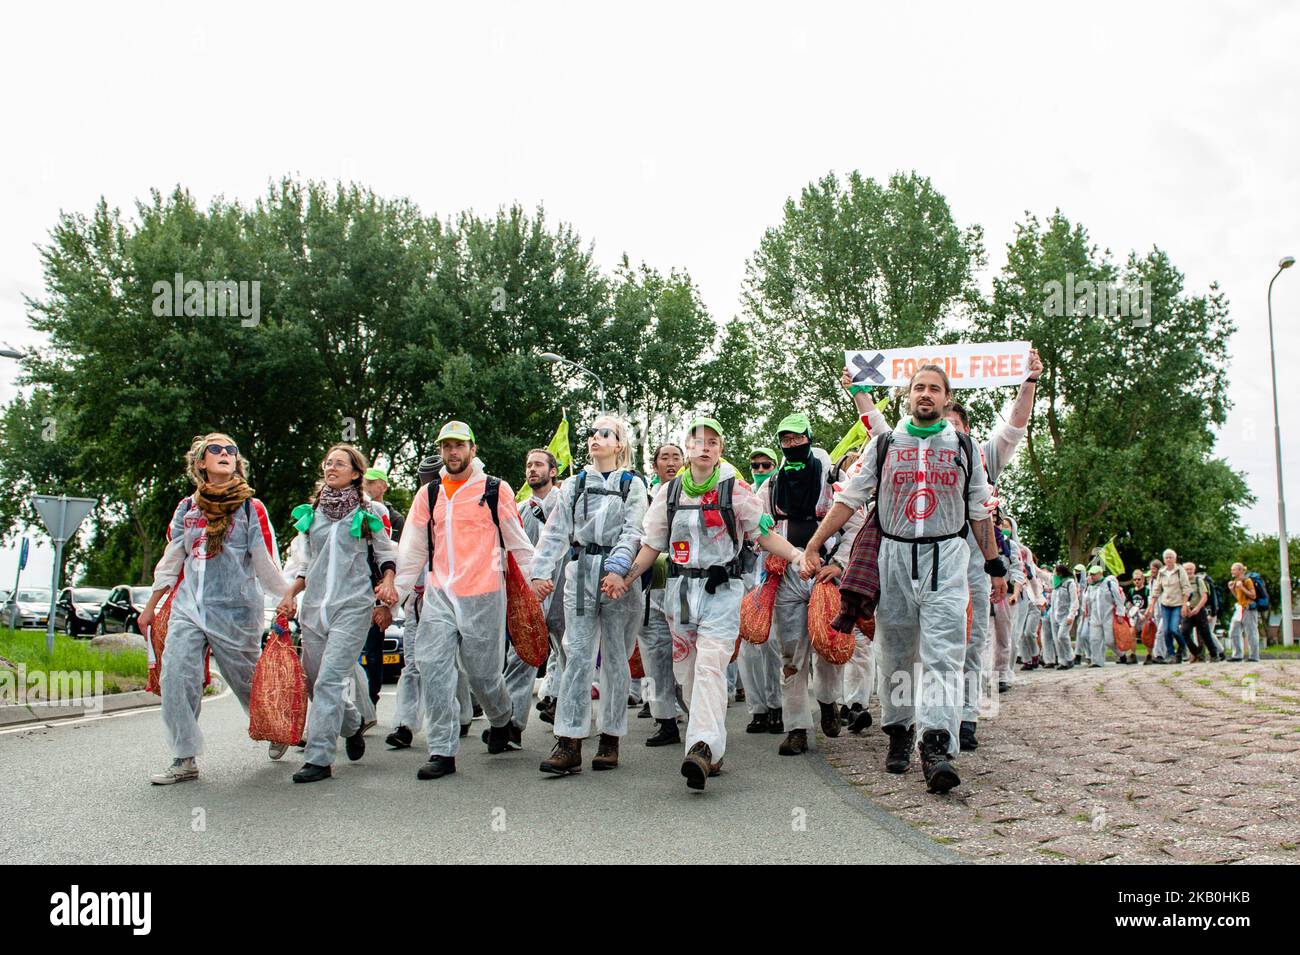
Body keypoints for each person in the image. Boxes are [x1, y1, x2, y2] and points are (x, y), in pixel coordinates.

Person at [804, 365, 1006, 795]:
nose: (926, 394)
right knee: (895, 651)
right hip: (894, 557)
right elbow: (850, 497)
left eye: (935, 388)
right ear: (907, 397)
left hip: (947, 558)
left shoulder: (966, 448)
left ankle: (936, 746)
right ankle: (899, 730)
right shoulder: (885, 444)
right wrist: (813, 545)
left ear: (947, 399)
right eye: (919, 388)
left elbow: (979, 510)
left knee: (944, 656)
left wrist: (993, 562)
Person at [843, 348, 1040, 752]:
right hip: (912, 560)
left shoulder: (976, 453)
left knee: (966, 647)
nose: (942, 428)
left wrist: (1029, 385)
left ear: (962, 423)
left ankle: (963, 719)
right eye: (921, 390)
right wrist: (859, 392)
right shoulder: (903, 444)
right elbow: (879, 429)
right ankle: (909, 727)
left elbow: (1015, 427)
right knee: (907, 648)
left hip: (969, 565)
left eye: (952, 422)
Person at [612, 418, 803, 791]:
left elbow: (763, 536)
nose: (705, 446)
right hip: (680, 592)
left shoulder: (736, 491)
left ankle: (700, 747)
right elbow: (652, 545)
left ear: (720, 450)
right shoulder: (668, 494)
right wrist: (626, 576)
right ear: (687, 447)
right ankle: (711, 751)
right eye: (698, 440)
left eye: (713, 442)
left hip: (723, 589)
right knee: (686, 677)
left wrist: (797, 556)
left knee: (710, 667)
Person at [392, 421, 535, 781]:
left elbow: (516, 541)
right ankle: (442, 750)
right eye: (446, 447)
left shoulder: (494, 489)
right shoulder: (429, 494)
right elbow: (412, 549)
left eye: (459, 446)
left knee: (482, 674)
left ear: (472, 448)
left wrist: (537, 580)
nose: (452, 453)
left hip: (484, 593)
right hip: (440, 593)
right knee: (432, 665)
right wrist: (393, 597)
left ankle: (502, 719)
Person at [139, 434, 285, 784]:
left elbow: (266, 562)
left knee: (246, 680)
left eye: (230, 451)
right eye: (215, 450)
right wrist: (151, 606)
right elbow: (173, 559)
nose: (224, 454)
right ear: (201, 463)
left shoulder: (252, 507)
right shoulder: (186, 509)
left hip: (235, 609)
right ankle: (184, 757)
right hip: (190, 607)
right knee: (176, 677)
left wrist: (285, 601)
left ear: (237, 462)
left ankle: (277, 726)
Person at [531, 416, 648, 775]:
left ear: (620, 445)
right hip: (581, 570)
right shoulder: (574, 485)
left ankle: (610, 737)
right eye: (592, 433)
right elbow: (555, 531)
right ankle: (569, 740)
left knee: (615, 657)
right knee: (577, 654)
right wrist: (539, 570)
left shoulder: (633, 485)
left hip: (620, 578)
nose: (595, 438)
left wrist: (619, 569)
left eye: (605, 433)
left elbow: (634, 531)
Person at [277, 444, 399, 782]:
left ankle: (319, 758)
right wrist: (289, 595)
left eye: (339, 463)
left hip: (353, 605)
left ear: (356, 473)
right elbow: (303, 563)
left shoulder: (368, 510)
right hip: (314, 608)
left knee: (331, 679)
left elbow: (385, 555)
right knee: (316, 682)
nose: (331, 467)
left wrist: (387, 591)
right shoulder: (312, 513)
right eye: (328, 462)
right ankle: (352, 723)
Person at [759, 413, 844, 756]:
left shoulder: (833, 477)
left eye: (797, 438)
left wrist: (840, 563)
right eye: (785, 439)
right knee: (791, 651)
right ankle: (796, 726)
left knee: (827, 645)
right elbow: (760, 529)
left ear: (809, 437)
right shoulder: (772, 484)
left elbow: (855, 518)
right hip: (789, 574)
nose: (792, 444)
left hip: (826, 572)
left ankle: (827, 701)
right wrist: (764, 538)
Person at [494, 448, 565, 742]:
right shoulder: (519, 510)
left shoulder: (566, 503)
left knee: (570, 653)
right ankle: (511, 724)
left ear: (553, 471)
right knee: (521, 655)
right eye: (528, 465)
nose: (532, 469)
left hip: (563, 590)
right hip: (531, 595)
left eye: (538, 465)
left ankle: (569, 717)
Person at [634, 443, 687, 745]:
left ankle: (697, 717)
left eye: (675, 457)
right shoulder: (644, 497)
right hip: (650, 585)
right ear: (654, 466)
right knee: (653, 658)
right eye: (664, 458)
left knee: (684, 654)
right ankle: (664, 719)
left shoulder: (692, 493)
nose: (670, 462)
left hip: (682, 585)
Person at [386, 456, 440, 749]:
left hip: (450, 602)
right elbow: (405, 563)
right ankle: (405, 724)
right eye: (425, 482)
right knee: (412, 666)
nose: (429, 487)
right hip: (417, 604)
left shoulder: (457, 514)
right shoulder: (414, 520)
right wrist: (393, 601)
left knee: (451, 666)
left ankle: (463, 714)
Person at [738, 447, 785, 735]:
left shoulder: (777, 492)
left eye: (766, 464)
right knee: (748, 647)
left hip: (772, 575)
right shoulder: (740, 494)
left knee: (772, 644)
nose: (760, 469)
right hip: (745, 576)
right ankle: (757, 710)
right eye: (755, 465)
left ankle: (776, 706)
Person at [359, 466, 402, 707]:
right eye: (365, 481)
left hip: (377, 591)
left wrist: (387, 597)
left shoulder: (392, 517)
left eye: (373, 481)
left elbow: (393, 555)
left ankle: (370, 701)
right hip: (350, 594)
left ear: (384, 486)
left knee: (372, 650)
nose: (368, 485)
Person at [1149, 549, 1193, 663]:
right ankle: (1171, 653)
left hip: (1177, 604)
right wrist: (1152, 605)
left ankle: (1183, 647)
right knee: (1166, 630)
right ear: (1164, 560)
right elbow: (1157, 589)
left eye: (1171, 557)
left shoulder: (1180, 571)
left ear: (1175, 559)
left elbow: (1186, 588)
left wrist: (1184, 604)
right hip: (1165, 604)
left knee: (1174, 629)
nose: (1168, 559)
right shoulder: (1162, 572)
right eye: (1166, 557)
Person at [1080, 565, 1124, 668]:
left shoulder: (1109, 584)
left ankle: (1122, 654)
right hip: (1095, 617)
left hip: (1108, 616)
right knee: (1094, 639)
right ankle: (1097, 661)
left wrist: (1120, 613)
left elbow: (1118, 600)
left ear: (1100, 574)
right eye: (1091, 574)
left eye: (1094, 574)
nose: (1092, 576)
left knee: (1110, 640)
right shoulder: (1090, 587)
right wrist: (1089, 616)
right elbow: (1088, 603)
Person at [1181, 561, 1223, 662]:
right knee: (1184, 632)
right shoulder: (1182, 582)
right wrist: (1185, 607)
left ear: (1194, 570)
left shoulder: (1199, 580)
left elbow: (1204, 596)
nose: (1189, 571)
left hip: (1199, 610)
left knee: (1205, 633)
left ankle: (1214, 654)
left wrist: (1198, 608)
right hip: (1188, 610)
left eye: (1191, 569)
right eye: (1187, 569)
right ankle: (1196, 652)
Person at [1045, 563, 1079, 669]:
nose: (1053, 573)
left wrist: (1071, 615)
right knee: (1056, 639)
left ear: (1060, 572)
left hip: (1066, 615)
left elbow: (1074, 601)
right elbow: (1041, 574)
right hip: (1055, 615)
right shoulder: (1055, 584)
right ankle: (1063, 662)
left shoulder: (1070, 583)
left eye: (1055, 570)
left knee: (1062, 636)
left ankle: (1070, 657)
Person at [1226, 562, 1260, 662]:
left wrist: (1242, 588)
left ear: (1240, 570)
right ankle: (1237, 655)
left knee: (1251, 632)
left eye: (1234, 570)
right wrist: (1232, 589)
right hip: (1240, 608)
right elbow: (1239, 598)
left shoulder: (1247, 581)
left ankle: (1254, 656)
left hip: (1249, 609)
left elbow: (1253, 595)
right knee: (1233, 631)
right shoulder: (1236, 581)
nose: (1232, 572)